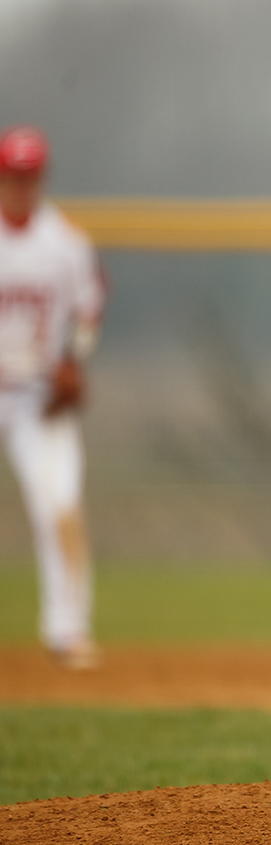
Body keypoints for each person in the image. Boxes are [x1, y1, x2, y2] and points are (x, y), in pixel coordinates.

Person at [0, 125, 105, 670]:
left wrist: (74, 361)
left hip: (39, 393)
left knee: (60, 504)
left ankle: (67, 630)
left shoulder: (63, 243)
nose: (20, 184)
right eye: (12, 175)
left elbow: (88, 311)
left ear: (40, 177)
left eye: (29, 175)